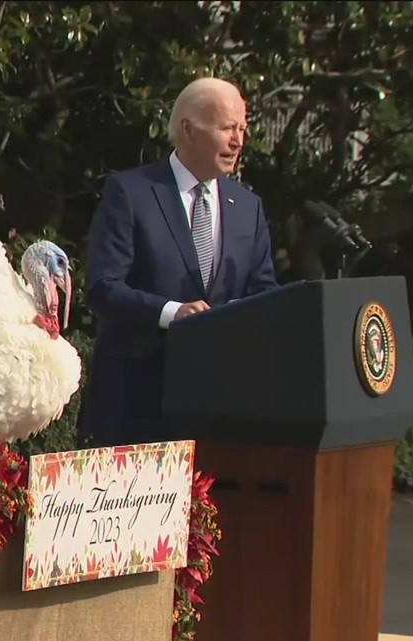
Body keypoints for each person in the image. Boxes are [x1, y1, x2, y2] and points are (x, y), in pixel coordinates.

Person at [79, 77, 278, 448]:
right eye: (226, 128)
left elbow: (265, 293)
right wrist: (173, 313)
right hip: (136, 407)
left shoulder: (248, 207)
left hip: (221, 411)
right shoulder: (131, 193)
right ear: (187, 129)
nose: (238, 141)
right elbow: (103, 288)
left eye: (242, 129)